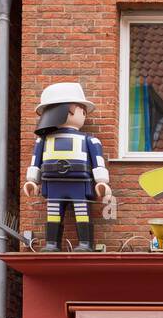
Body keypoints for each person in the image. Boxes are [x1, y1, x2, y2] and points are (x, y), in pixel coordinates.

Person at [23, 81, 112, 250]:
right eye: (80, 109)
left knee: (81, 212)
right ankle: (52, 243)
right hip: (53, 182)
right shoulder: (43, 141)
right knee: (53, 213)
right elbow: (35, 161)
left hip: (79, 183)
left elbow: (98, 163)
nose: (83, 113)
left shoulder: (90, 140)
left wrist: (101, 181)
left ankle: (85, 243)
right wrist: (32, 180)